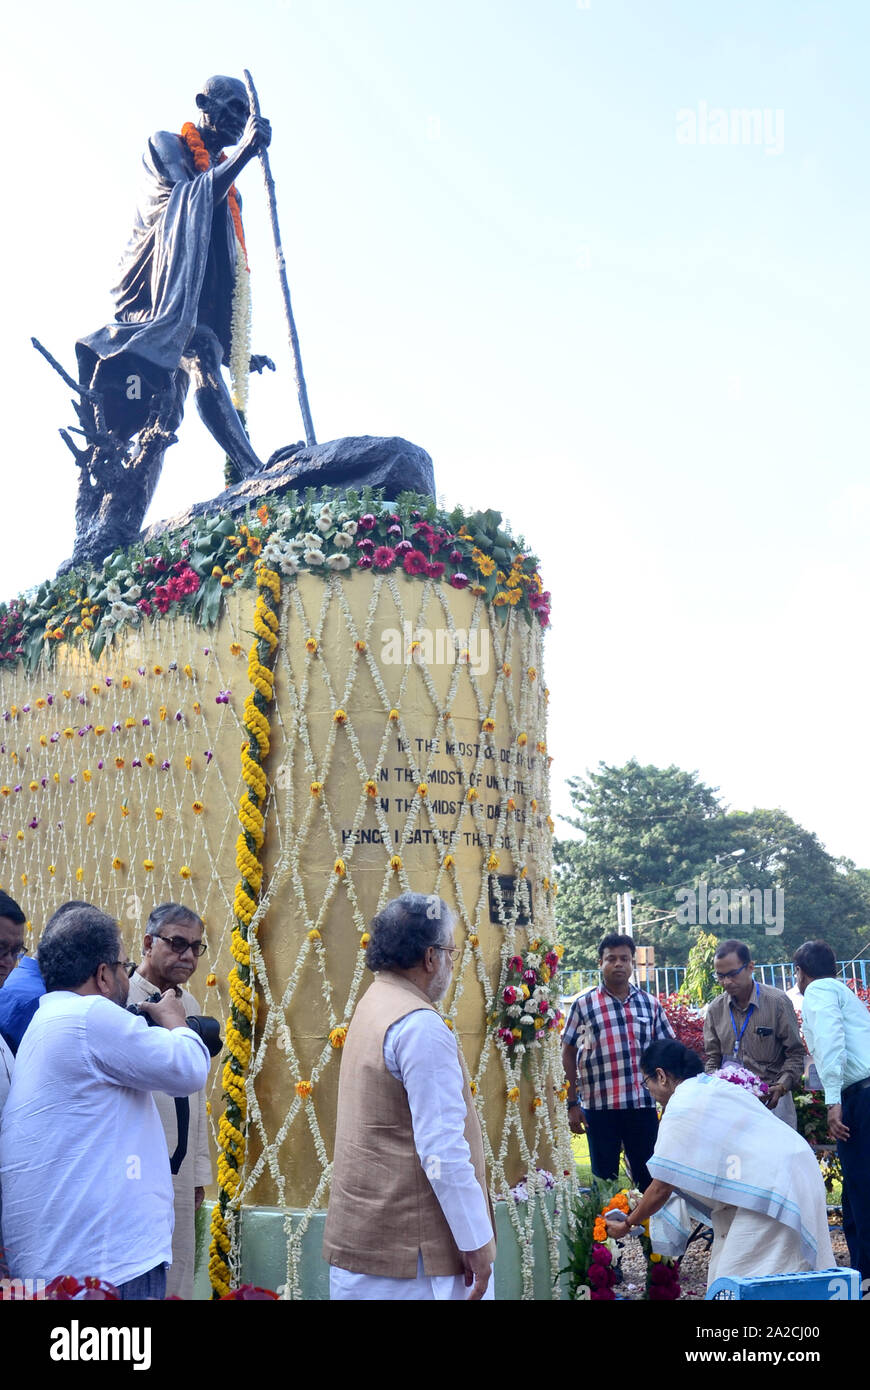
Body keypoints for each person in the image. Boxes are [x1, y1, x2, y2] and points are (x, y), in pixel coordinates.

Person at [0, 902, 210, 1298]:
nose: (126, 977)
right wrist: (175, 1020)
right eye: (123, 965)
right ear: (102, 975)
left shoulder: (49, 1019)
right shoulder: (88, 1016)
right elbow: (189, 1069)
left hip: (65, 1265)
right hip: (106, 1269)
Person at [76, 75, 273, 482]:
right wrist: (249, 153)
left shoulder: (231, 189)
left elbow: (216, 273)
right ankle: (253, 470)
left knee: (166, 411)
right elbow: (188, 201)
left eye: (246, 112)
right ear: (203, 103)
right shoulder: (167, 144)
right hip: (148, 295)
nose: (240, 119)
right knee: (198, 350)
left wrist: (237, 348)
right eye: (233, 107)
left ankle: (123, 516)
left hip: (185, 311)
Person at [323, 892, 496, 1300]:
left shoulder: (374, 1002)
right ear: (431, 957)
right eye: (452, 952)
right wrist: (476, 1242)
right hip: (416, 1260)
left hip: (368, 1246)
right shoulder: (420, 1025)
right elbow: (442, 1149)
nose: (452, 964)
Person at [604, 1039, 835, 1290]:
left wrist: (628, 1223)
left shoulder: (682, 1104)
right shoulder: (713, 1087)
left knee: (736, 1283)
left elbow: (662, 1186)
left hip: (774, 1190)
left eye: (645, 1082)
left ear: (661, 1076)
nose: (647, 1090)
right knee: (777, 1273)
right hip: (799, 1170)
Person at [126, 903, 213, 1300]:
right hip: (135, 1168)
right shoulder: (121, 998)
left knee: (176, 1275)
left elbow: (196, 1095)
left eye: (196, 947)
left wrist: (197, 1172)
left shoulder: (187, 1007)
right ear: (147, 943)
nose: (189, 956)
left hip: (178, 1173)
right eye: (178, 943)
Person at [561, 933, 675, 1191]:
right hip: (599, 1109)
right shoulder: (585, 1006)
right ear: (600, 962)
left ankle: (648, 1231)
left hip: (642, 1106)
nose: (618, 964)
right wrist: (571, 1103)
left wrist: (670, 1098)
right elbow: (569, 1052)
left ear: (633, 963)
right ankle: (607, 1231)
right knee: (604, 1183)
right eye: (611, 959)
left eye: (624, 958)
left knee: (649, 1180)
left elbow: (669, 1051)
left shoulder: (650, 1006)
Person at [794, 940, 870, 1282]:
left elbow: (830, 1041)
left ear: (801, 972)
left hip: (858, 1096)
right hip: (862, 1091)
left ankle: (867, 1273)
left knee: (862, 1185)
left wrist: (834, 1101)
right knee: (857, 1187)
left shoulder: (819, 991)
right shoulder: (842, 991)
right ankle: (861, 1270)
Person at [704, 939, 804, 1126]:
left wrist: (781, 1086)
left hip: (772, 1102)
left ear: (750, 967)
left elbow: (795, 1054)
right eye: (720, 976)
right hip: (729, 1106)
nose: (726, 982)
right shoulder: (715, 1009)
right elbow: (712, 1058)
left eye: (733, 974)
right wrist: (712, 1083)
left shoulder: (777, 1002)